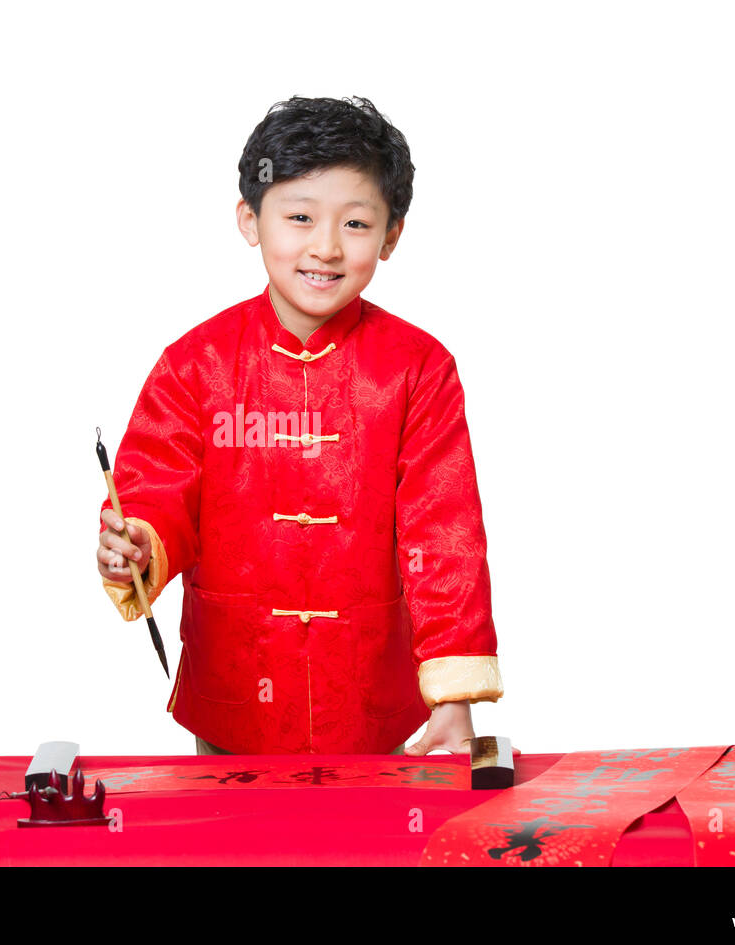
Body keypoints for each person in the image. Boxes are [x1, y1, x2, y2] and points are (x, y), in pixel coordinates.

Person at [95, 95, 502, 756]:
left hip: (372, 697)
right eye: (301, 217)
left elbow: (444, 532)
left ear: (392, 236)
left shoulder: (417, 368)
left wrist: (453, 700)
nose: (326, 247)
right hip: (236, 689)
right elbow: (156, 489)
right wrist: (135, 542)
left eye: (357, 224)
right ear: (250, 220)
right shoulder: (195, 364)